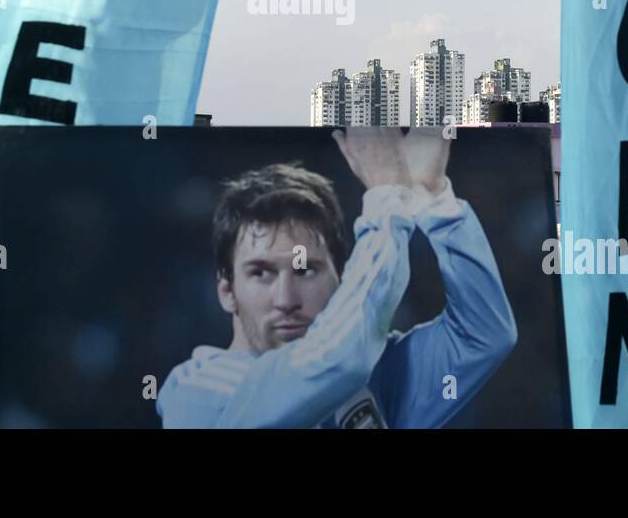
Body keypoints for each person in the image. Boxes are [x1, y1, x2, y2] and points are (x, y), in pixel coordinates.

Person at [156, 128, 517, 428]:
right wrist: (387, 198)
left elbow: (483, 335)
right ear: (226, 292)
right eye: (261, 273)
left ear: (343, 277)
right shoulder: (198, 392)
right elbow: (337, 363)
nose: (286, 299)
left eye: (306, 270)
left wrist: (433, 198)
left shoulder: (375, 373)